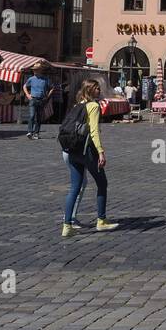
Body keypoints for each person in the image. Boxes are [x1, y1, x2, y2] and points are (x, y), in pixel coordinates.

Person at [61, 78, 118, 238]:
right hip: (88, 152)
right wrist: (101, 151)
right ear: (90, 90)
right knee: (102, 183)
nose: (99, 91)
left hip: (73, 151)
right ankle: (101, 220)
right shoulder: (93, 106)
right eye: (96, 88)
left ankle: (67, 225)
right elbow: (93, 132)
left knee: (74, 188)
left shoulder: (76, 106)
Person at [24, 64, 50, 140]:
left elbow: (52, 87)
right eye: (34, 70)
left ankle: (36, 133)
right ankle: (29, 131)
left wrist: (47, 96)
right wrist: (27, 94)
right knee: (32, 115)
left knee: (38, 117)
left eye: (36, 69)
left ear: (40, 70)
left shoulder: (45, 79)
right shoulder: (31, 79)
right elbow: (24, 86)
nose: (34, 71)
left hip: (41, 100)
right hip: (33, 99)